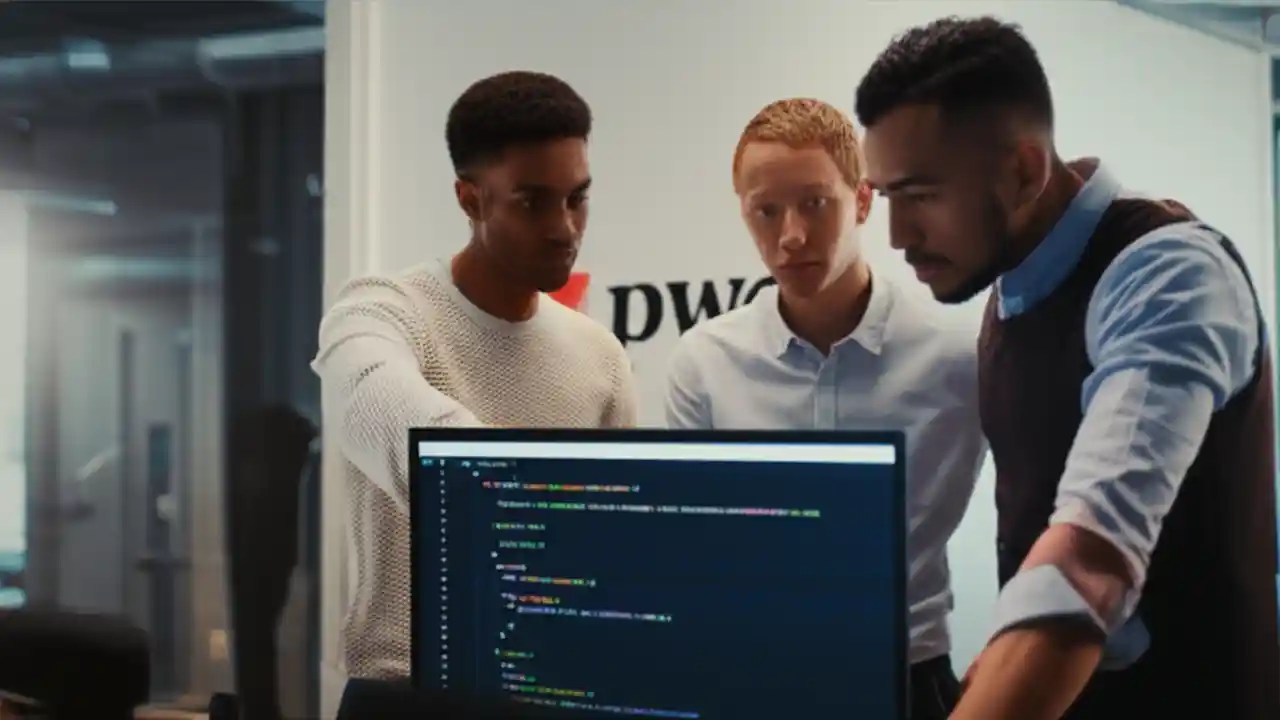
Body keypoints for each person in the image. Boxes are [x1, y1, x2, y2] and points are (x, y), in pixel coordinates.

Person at [856, 16, 1278, 720]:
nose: (897, 236)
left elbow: (1085, 567)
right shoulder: (1011, 286)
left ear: (1023, 170)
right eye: (889, 198)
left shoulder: (1168, 273)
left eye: (921, 195)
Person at [663, 97, 987, 719]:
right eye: (766, 210)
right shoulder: (705, 361)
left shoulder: (958, 354)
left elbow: (1040, 504)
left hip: (909, 681)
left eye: (815, 203)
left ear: (863, 201)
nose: (790, 236)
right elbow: (690, 544)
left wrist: (1016, 644)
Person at [312, 70, 637, 679]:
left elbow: (609, 557)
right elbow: (393, 420)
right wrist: (522, 493)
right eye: (532, 200)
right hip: (407, 695)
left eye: (577, 198)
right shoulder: (381, 314)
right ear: (469, 198)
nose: (565, 228)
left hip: (553, 688)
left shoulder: (601, 359)